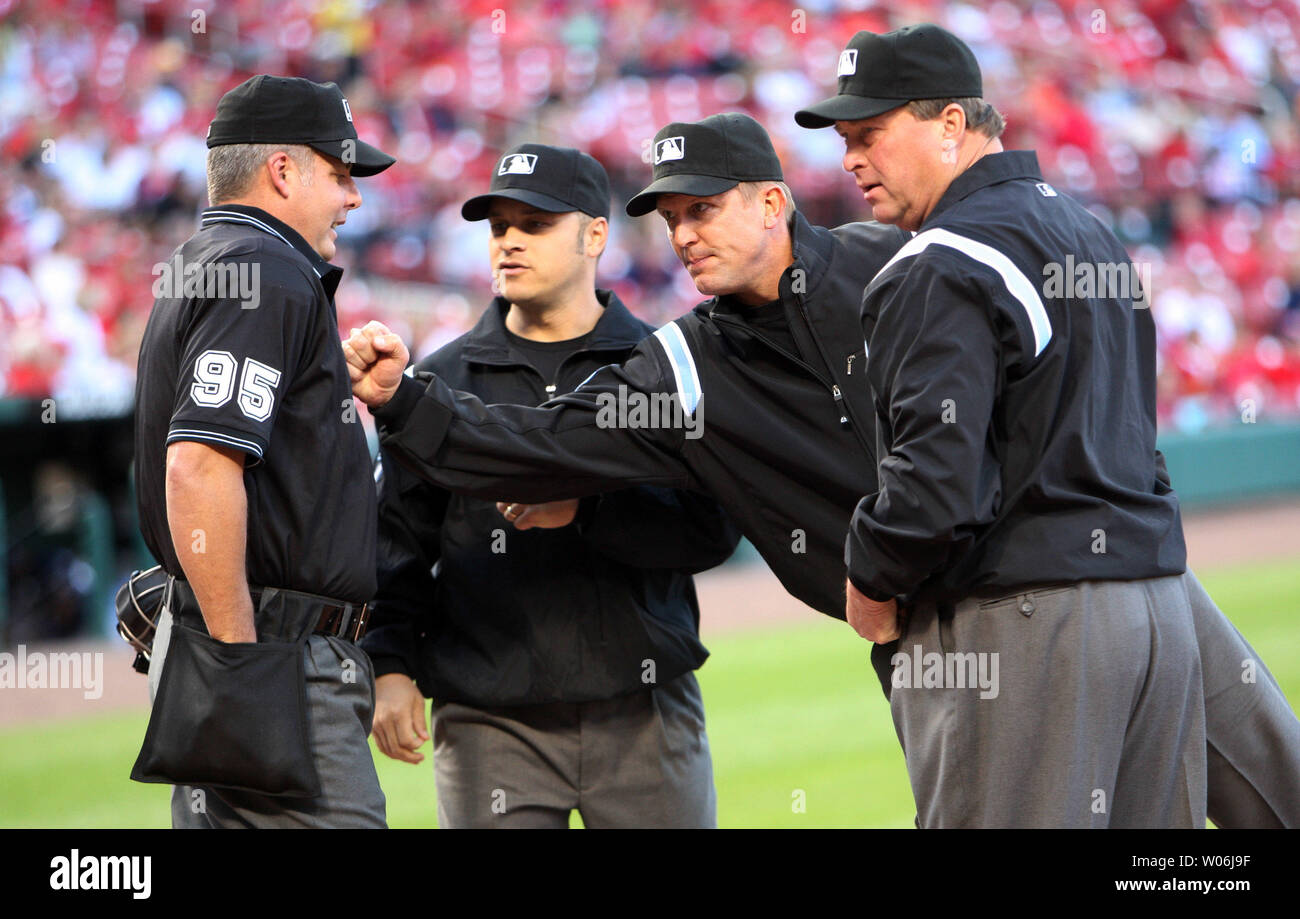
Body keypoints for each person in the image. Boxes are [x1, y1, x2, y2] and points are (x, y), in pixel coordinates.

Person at [344, 112, 1299, 827]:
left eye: (704, 208)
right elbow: (540, 442)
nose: (683, 234)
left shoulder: (906, 261)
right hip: (954, 624)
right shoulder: (687, 363)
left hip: (1102, 573)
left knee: (1272, 777)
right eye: (670, 218)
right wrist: (407, 402)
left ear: (772, 201)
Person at [798, 22, 1206, 826]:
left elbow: (935, 487)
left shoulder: (937, 259)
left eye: (871, 133)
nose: (850, 158)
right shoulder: (1092, 233)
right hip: (1159, 608)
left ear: (952, 124)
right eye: (846, 138)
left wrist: (869, 570)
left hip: (1032, 623)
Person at [362, 143, 739, 828]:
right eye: (499, 226)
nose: (509, 241)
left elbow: (709, 526)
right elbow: (397, 541)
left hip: (644, 704)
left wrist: (585, 511)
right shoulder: (437, 382)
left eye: (535, 225)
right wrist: (388, 664)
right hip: (488, 718)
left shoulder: (660, 362)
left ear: (596, 234)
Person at [132, 75, 394, 828]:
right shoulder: (268, 271)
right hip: (276, 661)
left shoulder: (203, 259)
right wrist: (239, 665)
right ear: (284, 170)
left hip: (234, 645)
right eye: (341, 173)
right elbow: (199, 464)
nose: (353, 196)